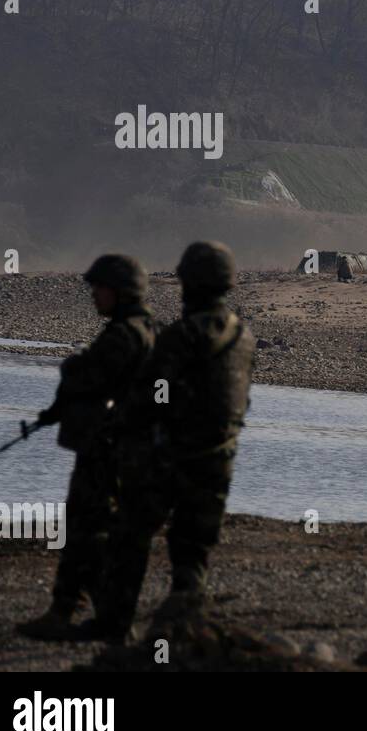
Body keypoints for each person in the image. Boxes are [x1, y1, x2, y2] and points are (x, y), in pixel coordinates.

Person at [89, 241, 255, 641]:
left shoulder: (181, 335)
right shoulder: (242, 336)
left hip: (172, 457)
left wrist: (121, 423)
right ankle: (185, 631)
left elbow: (154, 394)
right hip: (220, 457)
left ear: (191, 285)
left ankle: (117, 627)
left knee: (130, 536)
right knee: (192, 548)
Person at [15, 255, 155, 640]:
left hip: (109, 451)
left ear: (120, 291)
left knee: (89, 531)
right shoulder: (142, 330)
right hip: (118, 450)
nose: (94, 294)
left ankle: (109, 621)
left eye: (101, 287)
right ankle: (69, 610)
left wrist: (72, 368)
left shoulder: (125, 335)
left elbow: (89, 379)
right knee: (85, 528)